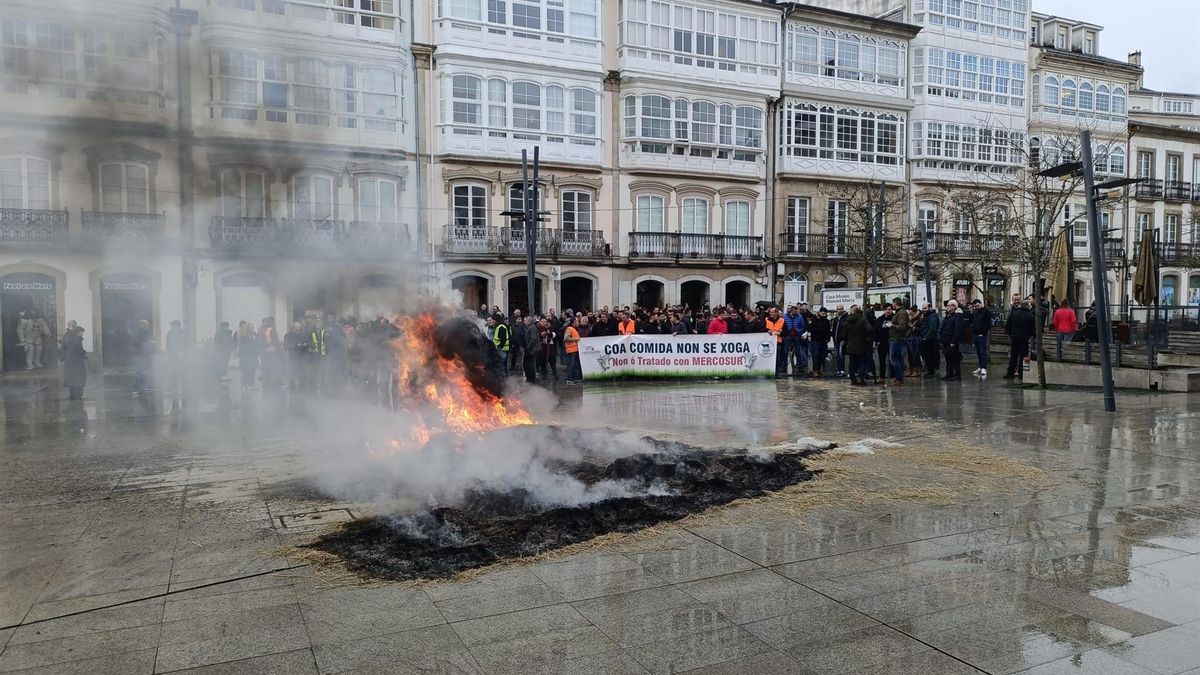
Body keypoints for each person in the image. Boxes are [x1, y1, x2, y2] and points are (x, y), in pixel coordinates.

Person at [1005, 301, 1036, 380]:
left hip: (1014, 338)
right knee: (1023, 356)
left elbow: (1007, 326)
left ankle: (1010, 373)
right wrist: (1031, 335)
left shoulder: (1014, 314)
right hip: (1024, 338)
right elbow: (1033, 329)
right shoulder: (1030, 316)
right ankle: (1021, 374)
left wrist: (1011, 334)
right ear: (1028, 306)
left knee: (1013, 356)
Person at [844, 305, 872, 385]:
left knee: (852, 362)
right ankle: (860, 378)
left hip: (851, 344)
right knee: (862, 361)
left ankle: (852, 378)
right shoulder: (863, 319)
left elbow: (844, 334)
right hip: (862, 343)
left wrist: (847, 341)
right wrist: (868, 337)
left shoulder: (847, 320)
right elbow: (870, 329)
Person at [940, 300, 967, 381]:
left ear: (954, 306)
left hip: (952, 341)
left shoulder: (958, 316)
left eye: (949, 305)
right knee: (948, 358)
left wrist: (954, 341)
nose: (947, 307)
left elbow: (958, 330)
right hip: (946, 340)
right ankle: (949, 373)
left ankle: (957, 375)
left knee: (955, 358)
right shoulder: (949, 315)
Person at [165, 320, 188, 407]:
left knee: (182, 371)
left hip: (181, 355)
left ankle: (184, 387)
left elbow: (186, 343)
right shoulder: (170, 333)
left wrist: (182, 352)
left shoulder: (183, 333)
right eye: (171, 325)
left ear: (177, 325)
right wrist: (168, 353)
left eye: (173, 325)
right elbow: (167, 344)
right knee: (173, 372)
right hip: (172, 355)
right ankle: (174, 388)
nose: (171, 326)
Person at [61, 324, 87, 400]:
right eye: (82, 332)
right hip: (77, 363)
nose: (82, 334)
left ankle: (72, 395)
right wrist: (84, 354)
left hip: (69, 362)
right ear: (78, 332)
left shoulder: (68, 338)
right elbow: (79, 351)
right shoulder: (77, 340)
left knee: (72, 380)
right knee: (78, 379)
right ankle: (78, 396)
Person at [887, 297, 910, 385]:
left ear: (895, 303)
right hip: (895, 338)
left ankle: (899, 378)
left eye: (893, 303)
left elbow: (902, 327)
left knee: (893, 359)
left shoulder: (901, 312)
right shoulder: (899, 312)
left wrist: (891, 325)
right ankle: (898, 377)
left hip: (897, 338)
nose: (892, 305)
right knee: (897, 358)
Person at [970, 299, 994, 377]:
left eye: (977, 305)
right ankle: (980, 367)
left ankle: (984, 367)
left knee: (982, 351)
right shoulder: (976, 312)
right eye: (975, 306)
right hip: (976, 334)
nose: (976, 307)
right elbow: (973, 321)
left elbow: (988, 324)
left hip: (982, 335)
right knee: (978, 352)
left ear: (981, 304)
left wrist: (983, 332)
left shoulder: (986, 312)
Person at [283, 321, 309, 389]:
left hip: (302, 357)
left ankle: (302, 385)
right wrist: (296, 346)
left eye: (299, 328)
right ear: (293, 328)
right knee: (292, 371)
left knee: (302, 371)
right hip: (293, 357)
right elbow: (286, 346)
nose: (298, 330)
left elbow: (307, 342)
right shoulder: (288, 335)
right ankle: (292, 385)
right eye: (296, 328)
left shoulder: (302, 334)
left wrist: (305, 344)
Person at [807, 307, 832, 377]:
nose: (824, 315)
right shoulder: (814, 319)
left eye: (825, 313)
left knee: (822, 356)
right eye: (822, 313)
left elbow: (828, 330)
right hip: (815, 340)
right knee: (816, 355)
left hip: (823, 341)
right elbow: (809, 328)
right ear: (820, 312)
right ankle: (815, 370)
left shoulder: (826, 321)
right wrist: (817, 330)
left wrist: (828, 338)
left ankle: (818, 369)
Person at [131, 319, 154, 394]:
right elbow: (137, 342)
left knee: (144, 371)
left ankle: (144, 387)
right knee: (138, 371)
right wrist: (147, 343)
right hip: (140, 354)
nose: (147, 326)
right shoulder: (138, 332)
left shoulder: (145, 332)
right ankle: (135, 388)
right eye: (146, 324)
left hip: (144, 354)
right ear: (142, 325)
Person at [919, 303, 941, 378]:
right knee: (926, 355)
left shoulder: (932, 317)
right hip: (926, 339)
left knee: (930, 356)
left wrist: (926, 337)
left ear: (930, 308)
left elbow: (932, 329)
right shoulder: (926, 316)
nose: (923, 310)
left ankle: (931, 371)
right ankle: (930, 370)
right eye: (923, 308)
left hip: (930, 340)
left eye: (925, 308)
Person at [236, 321, 260, 389]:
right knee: (245, 371)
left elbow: (256, 344)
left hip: (253, 356)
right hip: (246, 356)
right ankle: (244, 385)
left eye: (253, 328)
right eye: (251, 328)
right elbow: (243, 347)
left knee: (252, 370)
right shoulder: (243, 336)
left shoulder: (254, 335)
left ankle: (251, 383)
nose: (253, 329)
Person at [784, 305, 806, 376]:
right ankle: (783, 366)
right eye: (795, 311)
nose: (796, 312)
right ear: (791, 310)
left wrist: (799, 331)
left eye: (796, 311)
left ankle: (800, 367)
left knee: (798, 352)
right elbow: (783, 325)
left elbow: (802, 326)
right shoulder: (785, 316)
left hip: (796, 336)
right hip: (788, 335)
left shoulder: (799, 317)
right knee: (785, 351)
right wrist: (786, 332)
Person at [764, 307, 786, 376]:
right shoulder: (766, 319)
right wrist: (767, 331)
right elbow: (762, 328)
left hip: (778, 342)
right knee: (768, 358)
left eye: (772, 312)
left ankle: (777, 373)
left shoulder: (782, 320)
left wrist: (780, 333)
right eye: (770, 312)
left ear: (776, 313)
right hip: (768, 342)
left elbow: (786, 332)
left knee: (777, 359)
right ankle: (768, 373)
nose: (770, 313)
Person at [564, 316, 582, 383]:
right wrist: (576, 339)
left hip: (574, 350)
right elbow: (566, 338)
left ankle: (573, 378)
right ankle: (569, 379)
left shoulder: (574, 329)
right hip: (571, 350)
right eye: (577, 321)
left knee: (574, 366)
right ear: (574, 321)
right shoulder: (569, 329)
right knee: (570, 366)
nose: (578, 322)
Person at [521, 316, 539, 384]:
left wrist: (528, 347)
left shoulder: (532, 328)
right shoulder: (529, 327)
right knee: (527, 363)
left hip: (532, 349)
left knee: (530, 364)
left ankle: (531, 378)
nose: (524, 322)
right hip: (529, 349)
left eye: (525, 321)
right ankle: (529, 377)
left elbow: (533, 338)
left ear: (529, 321)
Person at [831, 305, 848, 377]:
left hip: (842, 340)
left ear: (843, 309)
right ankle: (839, 370)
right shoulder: (836, 319)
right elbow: (834, 329)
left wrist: (844, 338)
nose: (839, 310)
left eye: (841, 309)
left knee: (841, 355)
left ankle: (842, 370)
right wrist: (832, 336)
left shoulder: (846, 318)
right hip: (836, 340)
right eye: (838, 309)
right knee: (837, 355)